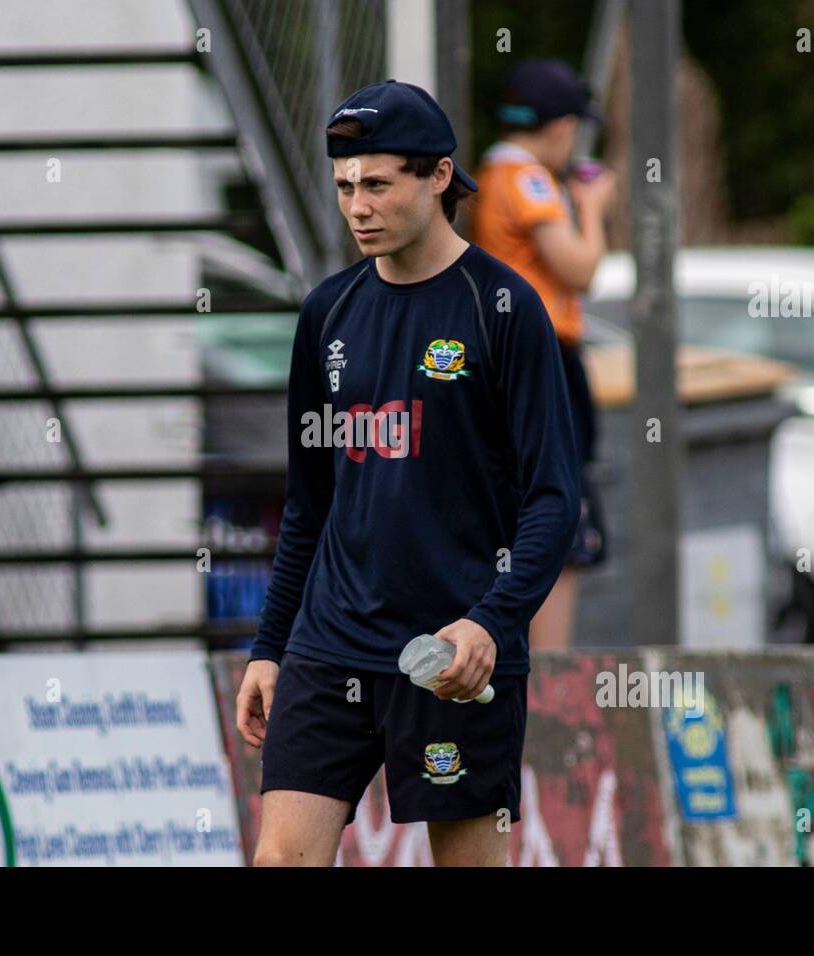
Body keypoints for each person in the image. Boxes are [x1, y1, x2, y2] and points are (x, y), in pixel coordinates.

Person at [234, 79, 579, 867]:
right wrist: (269, 645)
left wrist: (492, 623)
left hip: (452, 657)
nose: (358, 205)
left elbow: (555, 501)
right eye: (346, 186)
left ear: (437, 176)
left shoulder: (504, 308)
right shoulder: (327, 313)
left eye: (378, 183)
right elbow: (309, 504)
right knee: (280, 859)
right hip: (330, 645)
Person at [471, 59, 616, 651]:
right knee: (562, 507)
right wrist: (593, 206)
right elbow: (580, 267)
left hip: (519, 353)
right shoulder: (527, 179)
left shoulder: (494, 171)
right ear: (560, 128)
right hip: (547, 352)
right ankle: (549, 670)